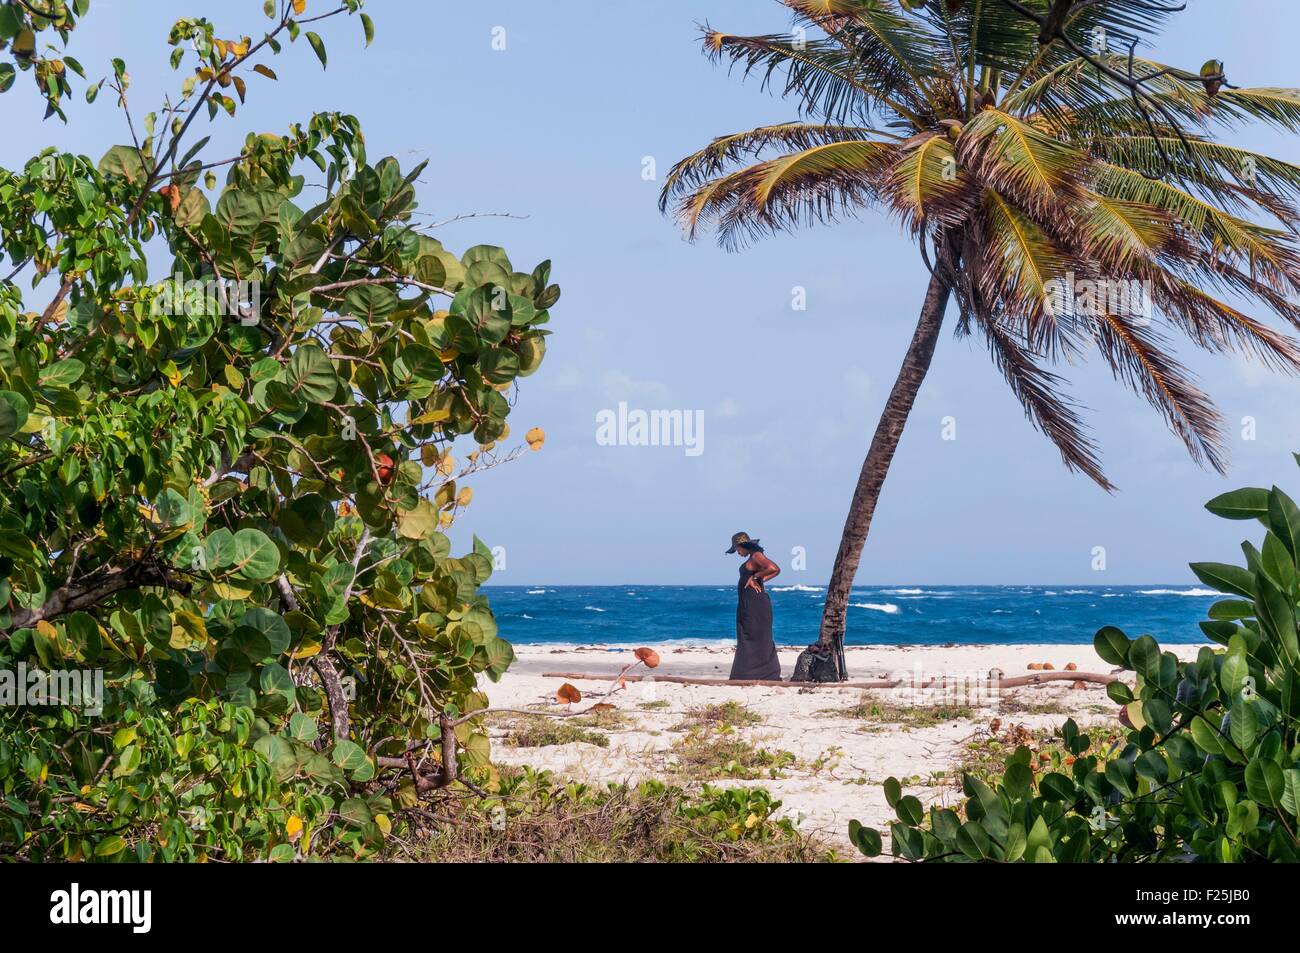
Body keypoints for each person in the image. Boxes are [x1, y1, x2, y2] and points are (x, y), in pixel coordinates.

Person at [725, 532, 782, 681]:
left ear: (743, 546)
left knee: (755, 636)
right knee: (748, 635)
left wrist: (756, 577)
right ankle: (747, 674)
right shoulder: (753, 557)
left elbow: (774, 568)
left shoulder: (756, 555)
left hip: (756, 605)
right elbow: (772, 571)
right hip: (749, 603)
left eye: (738, 550)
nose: (738, 553)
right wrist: (759, 580)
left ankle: (760, 674)